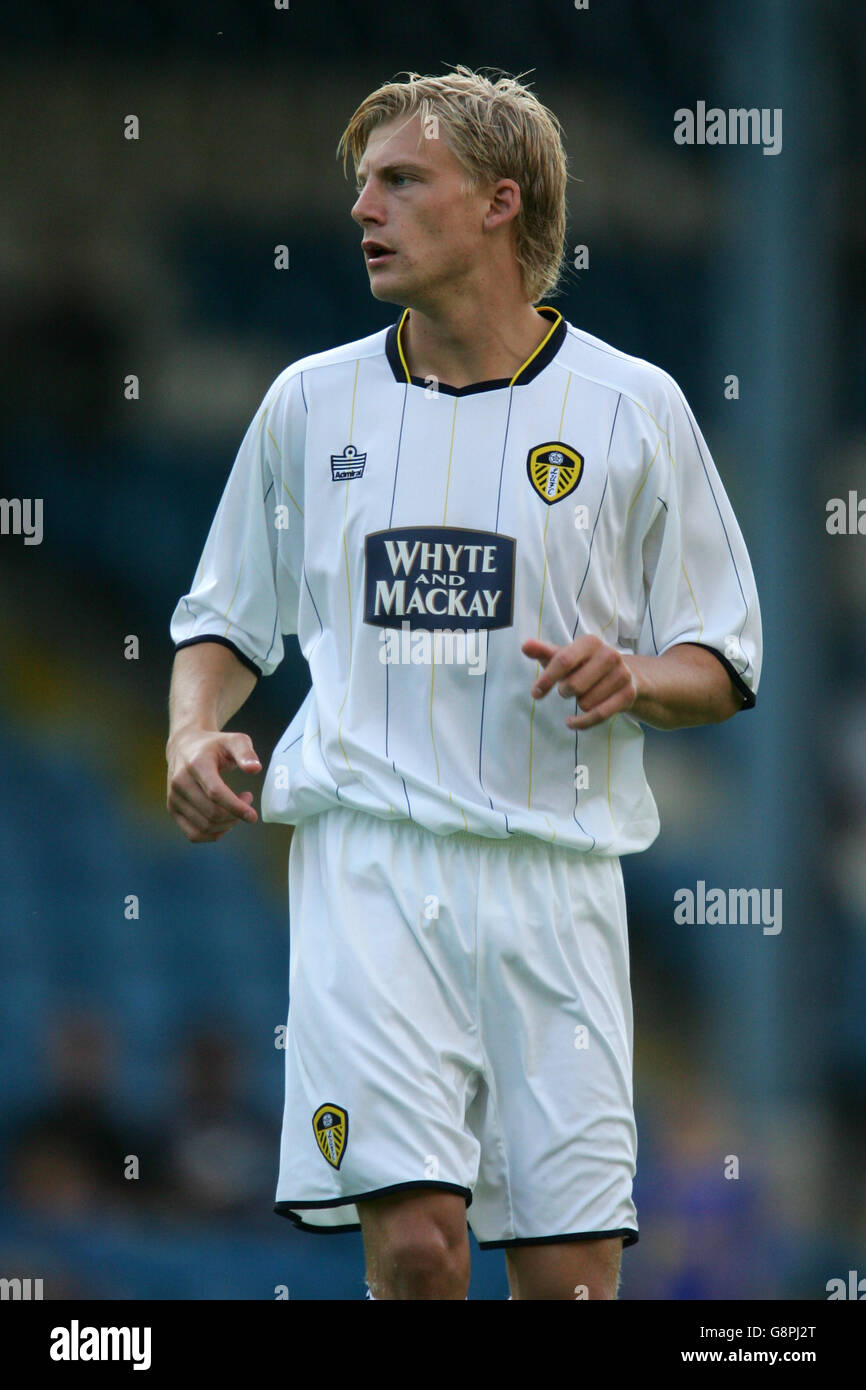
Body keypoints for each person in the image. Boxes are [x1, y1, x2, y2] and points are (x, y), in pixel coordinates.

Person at [166, 65, 762, 1300]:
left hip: (557, 878)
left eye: (398, 181)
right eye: (362, 186)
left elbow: (720, 659)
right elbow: (224, 619)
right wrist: (188, 730)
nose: (361, 210)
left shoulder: (631, 408)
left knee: (567, 1279)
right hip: (371, 862)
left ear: (499, 203)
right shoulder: (304, 404)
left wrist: (638, 674)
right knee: (423, 1242)